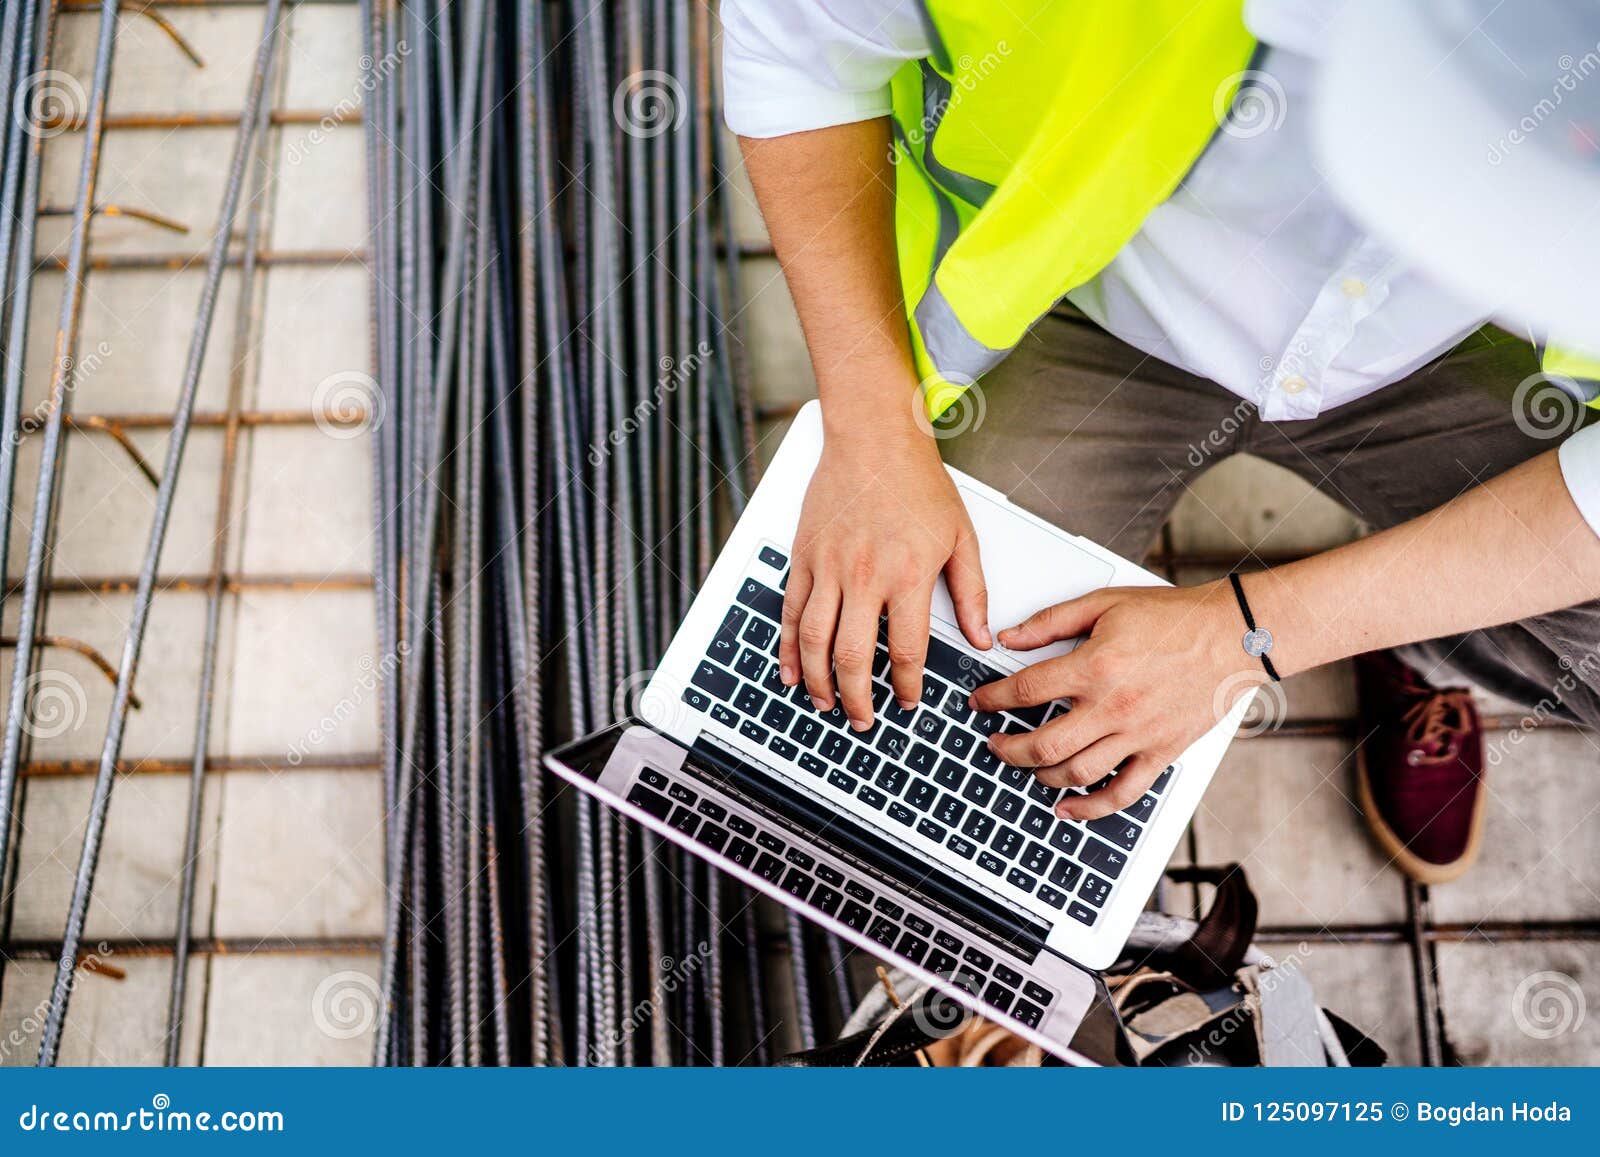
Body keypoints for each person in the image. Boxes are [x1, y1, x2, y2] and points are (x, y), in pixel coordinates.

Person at [720, 0, 1600, 884]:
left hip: (1451, 354)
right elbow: (792, 51)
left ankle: (1402, 625)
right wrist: (874, 439)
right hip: (1088, 305)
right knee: (926, 676)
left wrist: (1251, 634)